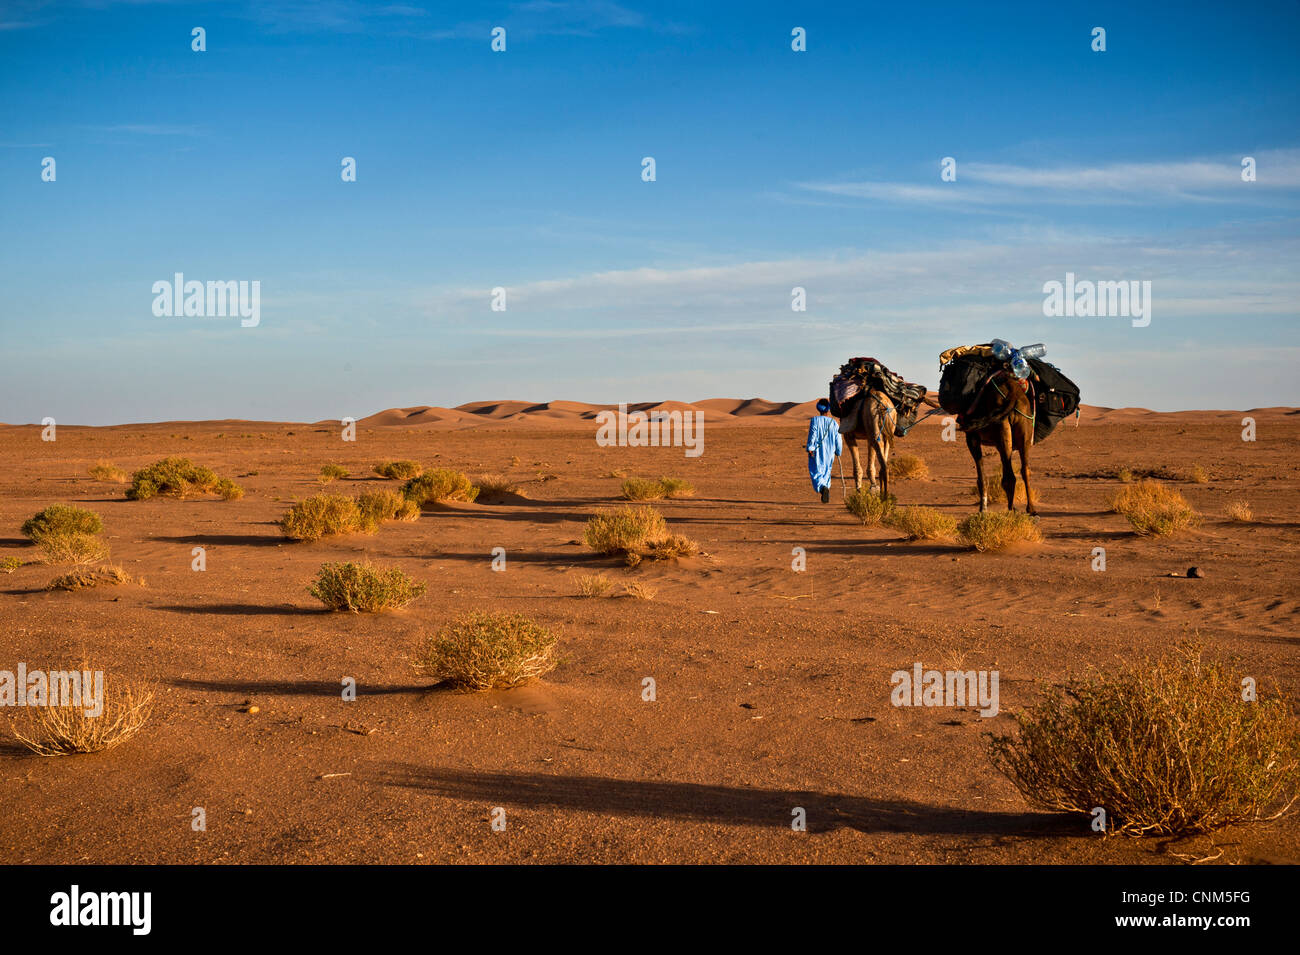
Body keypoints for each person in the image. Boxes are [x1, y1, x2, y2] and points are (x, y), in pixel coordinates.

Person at [806, 399, 842, 503]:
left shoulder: (815, 420)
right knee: (827, 471)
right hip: (830, 452)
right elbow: (838, 439)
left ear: (818, 408)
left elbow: (812, 435)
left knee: (815, 471)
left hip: (817, 450)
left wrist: (810, 448)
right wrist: (838, 451)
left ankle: (822, 488)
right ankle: (825, 488)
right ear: (828, 409)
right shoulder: (834, 423)